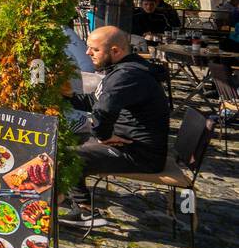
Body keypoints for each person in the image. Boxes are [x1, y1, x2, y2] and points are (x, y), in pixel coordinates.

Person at [62, 26, 171, 228]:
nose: (87, 53)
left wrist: (103, 136)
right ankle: (73, 201)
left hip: (139, 153)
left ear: (115, 51)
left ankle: (83, 211)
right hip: (131, 142)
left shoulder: (126, 76)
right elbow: (98, 101)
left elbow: (103, 112)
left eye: (94, 49)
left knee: (66, 157)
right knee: (66, 141)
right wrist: (68, 97)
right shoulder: (125, 69)